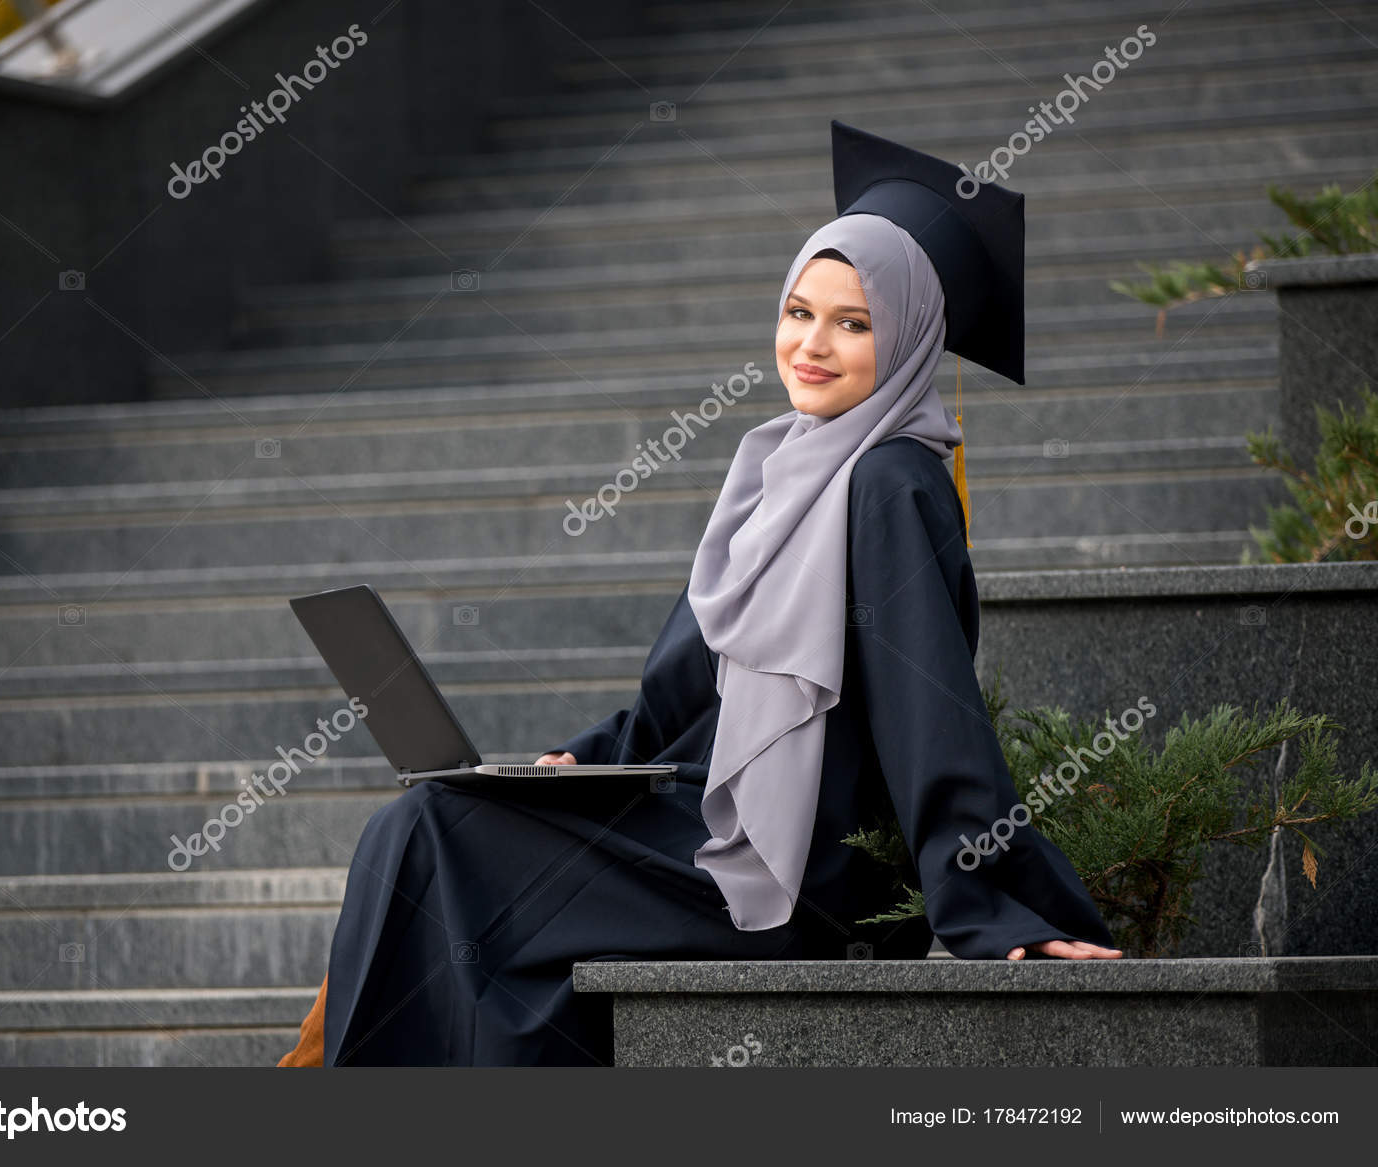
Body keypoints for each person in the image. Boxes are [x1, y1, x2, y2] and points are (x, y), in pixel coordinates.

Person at [277, 122, 1119, 1069]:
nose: (811, 345)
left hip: (797, 872)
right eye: (798, 311)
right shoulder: (772, 471)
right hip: (711, 822)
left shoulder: (892, 482)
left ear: (914, 335)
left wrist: (996, 907)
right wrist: (578, 762)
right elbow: (686, 699)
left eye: (854, 323)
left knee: (433, 839)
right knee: (434, 826)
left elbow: (934, 716)